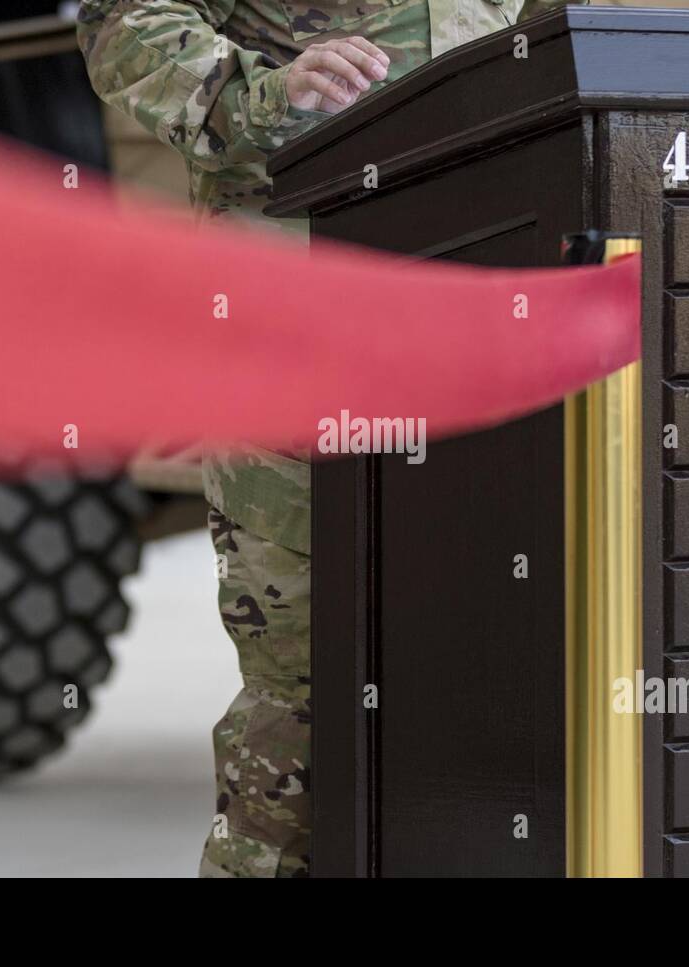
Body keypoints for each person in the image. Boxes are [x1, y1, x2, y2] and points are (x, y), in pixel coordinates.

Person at [77, 0, 561, 877]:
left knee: (488, 680)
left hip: (478, 320)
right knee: (306, 694)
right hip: (293, 331)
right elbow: (121, 25)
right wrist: (261, 95)